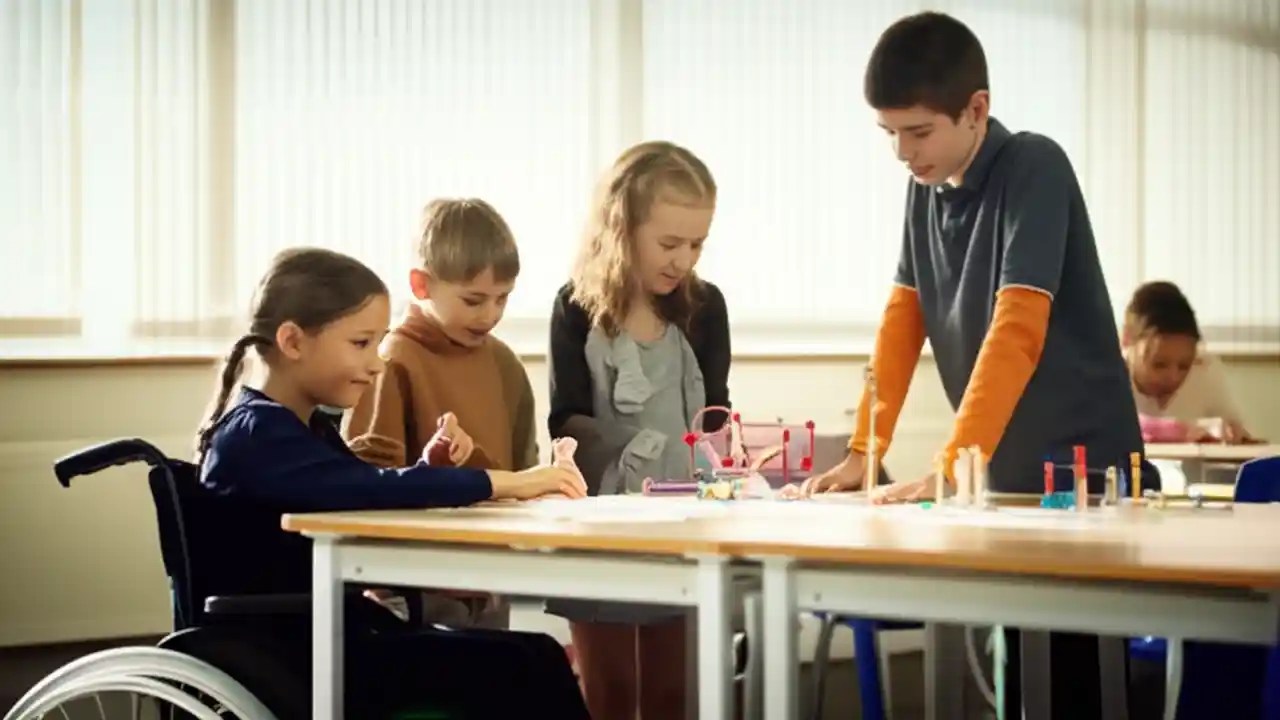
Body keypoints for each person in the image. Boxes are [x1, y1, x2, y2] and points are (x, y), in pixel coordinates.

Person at [800, 12, 1153, 719]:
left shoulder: (1035, 166)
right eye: (890, 134)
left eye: (919, 131)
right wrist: (867, 449)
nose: (903, 151)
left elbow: (1017, 329)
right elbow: (902, 324)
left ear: (976, 110)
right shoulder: (923, 190)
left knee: (1072, 677)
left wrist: (953, 457)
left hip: (1080, 473)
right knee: (1022, 670)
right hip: (1003, 472)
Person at [197, 246, 588, 718]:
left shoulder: (299, 428)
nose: (377, 363)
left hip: (337, 633)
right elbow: (371, 488)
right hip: (294, 650)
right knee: (528, 663)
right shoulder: (257, 434)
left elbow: (360, 488)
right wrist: (510, 483)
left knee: (531, 656)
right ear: (293, 342)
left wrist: (430, 468)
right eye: (361, 344)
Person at [546, 140, 730, 718]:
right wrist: (633, 453)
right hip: (601, 525)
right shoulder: (576, 308)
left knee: (675, 693)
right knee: (612, 694)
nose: (684, 260)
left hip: (686, 525)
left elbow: (717, 416)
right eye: (669, 243)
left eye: (697, 244)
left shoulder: (706, 309)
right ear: (620, 230)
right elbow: (564, 420)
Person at [343, 197, 539, 628]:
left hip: (490, 581)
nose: (490, 315)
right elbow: (365, 486)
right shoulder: (390, 361)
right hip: (415, 589)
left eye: (502, 299)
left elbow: (526, 470)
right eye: (473, 300)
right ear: (421, 285)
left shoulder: (505, 364)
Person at [1123, 280, 1256, 444]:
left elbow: (1240, 435)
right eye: (1159, 364)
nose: (1173, 377)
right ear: (1127, 339)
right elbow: (1114, 426)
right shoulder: (1107, 372)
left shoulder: (1204, 368)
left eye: (1184, 366)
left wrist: (1232, 432)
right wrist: (1188, 429)